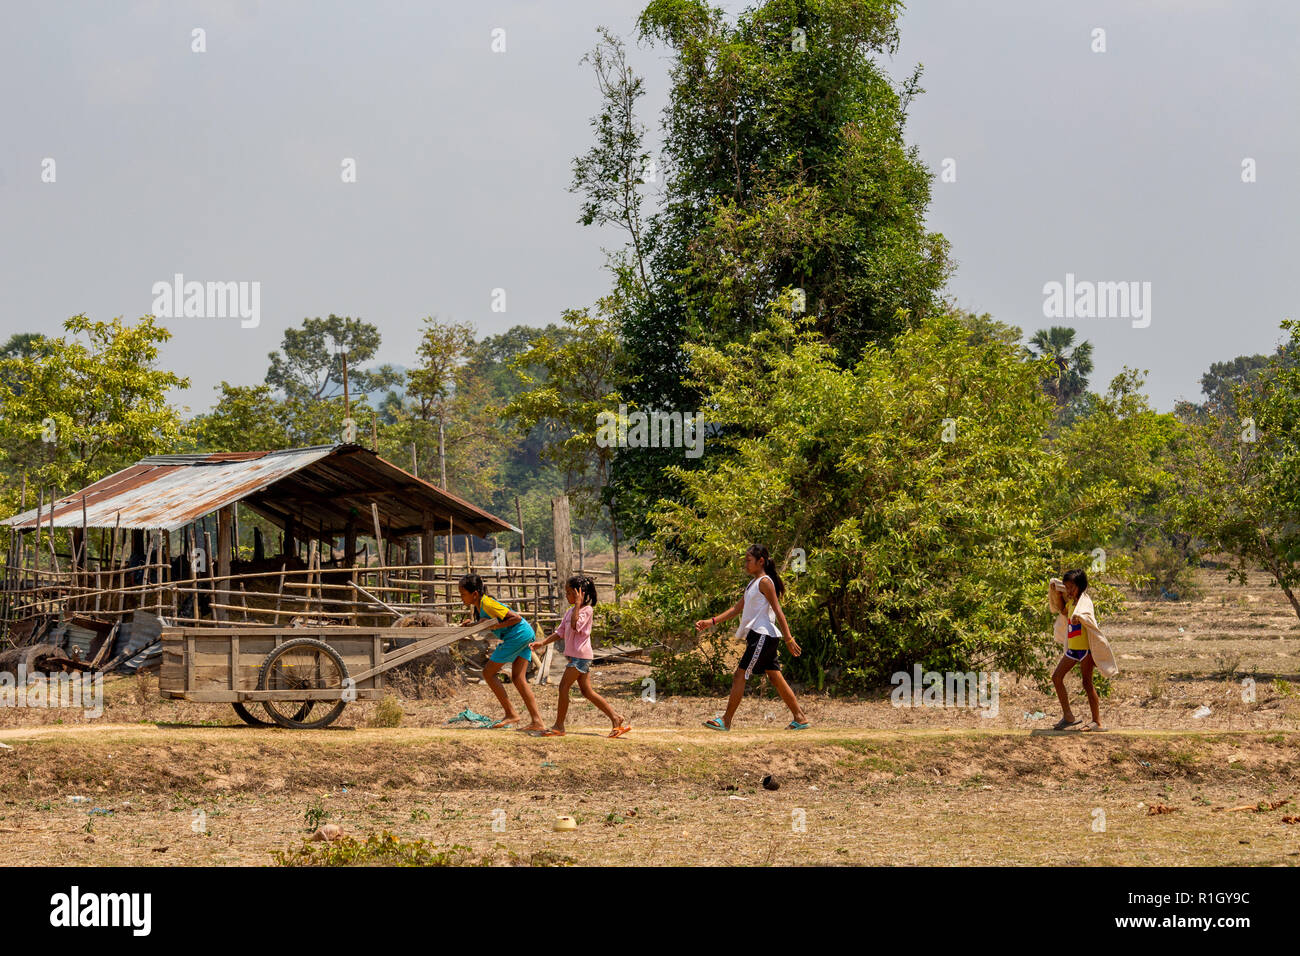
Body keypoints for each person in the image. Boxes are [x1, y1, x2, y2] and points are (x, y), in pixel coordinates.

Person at [695, 544, 810, 731]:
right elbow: (736, 609)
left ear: (761, 561)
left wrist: (789, 638)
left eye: (749, 560)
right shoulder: (753, 583)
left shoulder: (765, 582)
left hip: (763, 635)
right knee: (775, 677)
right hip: (761, 636)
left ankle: (726, 720)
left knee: (740, 675)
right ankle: (800, 717)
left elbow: (778, 610)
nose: (746, 564)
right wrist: (711, 621)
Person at [531, 574, 629, 738]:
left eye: (570, 592)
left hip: (580, 657)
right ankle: (616, 718)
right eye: (566, 592)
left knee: (563, 687)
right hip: (576, 657)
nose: (567, 595)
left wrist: (577, 604)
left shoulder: (586, 610)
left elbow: (576, 626)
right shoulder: (570, 611)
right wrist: (542, 643)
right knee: (587, 691)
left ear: (580, 594)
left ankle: (559, 726)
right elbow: (560, 632)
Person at [457, 573, 545, 731]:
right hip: (524, 633)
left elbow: (516, 618)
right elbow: (487, 623)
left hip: (517, 635)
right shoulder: (481, 606)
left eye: (463, 594)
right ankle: (537, 721)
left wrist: (494, 626)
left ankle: (511, 714)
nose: (461, 598)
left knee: (488, 673)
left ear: (474, 594)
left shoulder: (488, 603)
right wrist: (471, 626)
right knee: (518, 678)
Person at [1049, 568, 1118, 732]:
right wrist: (1056, 591)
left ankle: (1097, 722)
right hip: (1073, 650)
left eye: (1072, 587)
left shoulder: (1084, 602)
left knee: (1087, 683)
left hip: (1085, 650)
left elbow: (1085, 613)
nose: (1070, 590)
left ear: (1081, 586)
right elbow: (1062, 610)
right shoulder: (1072, 602)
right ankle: (1068, 716)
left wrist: (1079, 616)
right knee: (1056, 677)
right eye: (1067, 587)